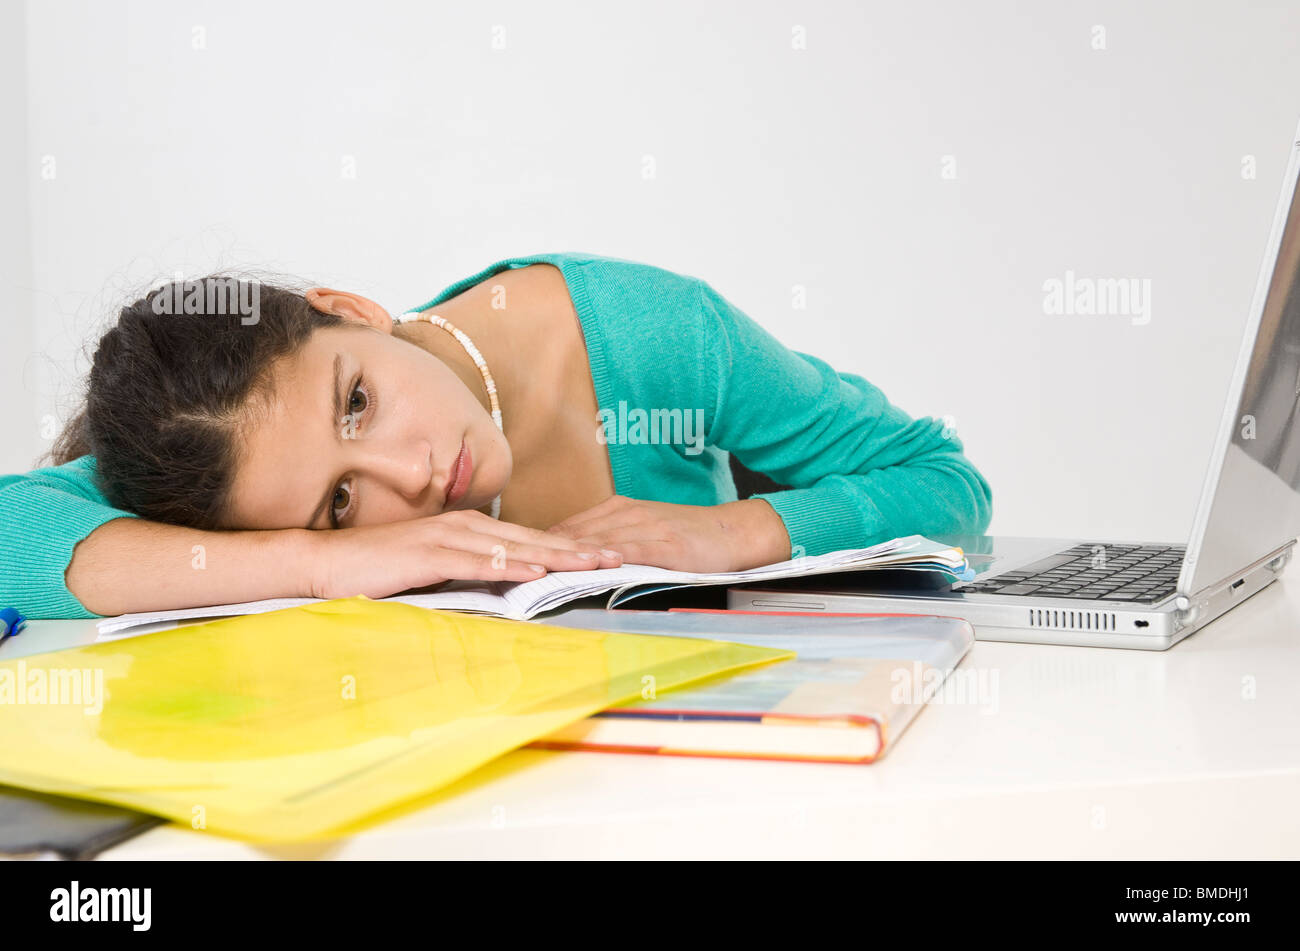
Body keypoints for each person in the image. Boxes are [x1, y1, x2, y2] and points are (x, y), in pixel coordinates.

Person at [0, 252, 993, 618]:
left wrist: (737, 533)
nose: (415, 474)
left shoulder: (646, 334)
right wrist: (315, 564)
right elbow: (12, 534)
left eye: (357, 402)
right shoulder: (236, 470)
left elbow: (940, 475)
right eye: (340, 500)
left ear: (347, 307)